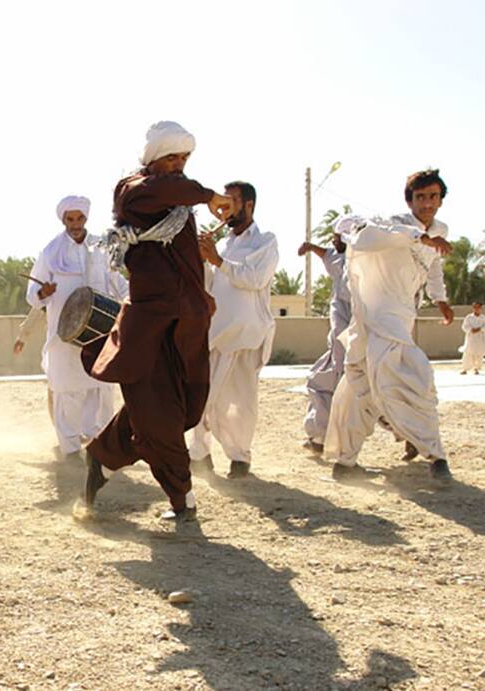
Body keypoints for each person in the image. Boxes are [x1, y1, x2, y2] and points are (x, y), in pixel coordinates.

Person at [82, 121, 233, 521]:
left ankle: (104, 457)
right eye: (171, 157)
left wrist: (200, 299)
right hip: (149, 326)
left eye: (184, 158)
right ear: (153, 158)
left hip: (186, 321)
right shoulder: (135, 190)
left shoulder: (180, 206)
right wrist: (208, 195)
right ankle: (182, 500)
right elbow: (162, 190)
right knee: (160, 414)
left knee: (183, 408)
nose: (179, 165)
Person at [323, 169, 456, 485]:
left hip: (401, 317)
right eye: (420, 197)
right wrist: (417, 237)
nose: (427, 203)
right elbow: (361, 235)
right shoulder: (391, 224)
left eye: (433, 196)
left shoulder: (440, 230)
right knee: (414, 378)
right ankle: (435, 457)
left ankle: (346, 461)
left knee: (364, 389)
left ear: (440, 199)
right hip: (376, 317)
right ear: (410, 199)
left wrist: (440, 300)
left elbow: (433, 266)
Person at [188, 181, 278, 478]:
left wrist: (217, 260)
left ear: (249, 205)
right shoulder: (223, 244)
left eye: (232, 202)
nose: (224, 209)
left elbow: (255, 279)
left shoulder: (265, 241)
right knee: (201, 397)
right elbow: (208, 286)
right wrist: (201, 260)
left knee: (240, 401)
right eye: (222, 203)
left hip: (247, 336)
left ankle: (240, 458)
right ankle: (199, 456)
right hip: (215, 334)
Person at [26, 195, 128, 458]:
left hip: (101, 331)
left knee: (99, 389)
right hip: (66, 334)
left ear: (86, 218)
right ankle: (70, 450)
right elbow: (32, 294)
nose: (75, 224)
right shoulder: (51, 252)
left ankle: (97, 445)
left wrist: (133, 298)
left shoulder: (101, 247)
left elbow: (115, 280)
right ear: (63, 220)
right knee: (68, 390)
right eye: (70, 219)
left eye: (80, 218)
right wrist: (43, 293)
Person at [298, 231, 351, 456]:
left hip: (347, 348)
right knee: (320, 383)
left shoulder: (363, 263)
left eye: (338, 237)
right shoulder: (339, 259)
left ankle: (408, 432)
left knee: (331, 386)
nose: (333, 241)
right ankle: (319, 437)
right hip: (340, 347)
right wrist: (310, 247)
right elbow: (327, 254)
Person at [459, 302, 485, 375]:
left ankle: (476, 369)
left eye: (478, 307)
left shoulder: (483, 318)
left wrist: (480, 329)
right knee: (468, 353)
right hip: (471, 338)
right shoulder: (469, 317)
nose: (476, 309)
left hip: (480, 339)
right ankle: (465, 369)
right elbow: (464, 326)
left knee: (478, 354)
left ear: (480, 308)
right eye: (475, 307)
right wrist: (471, 330)